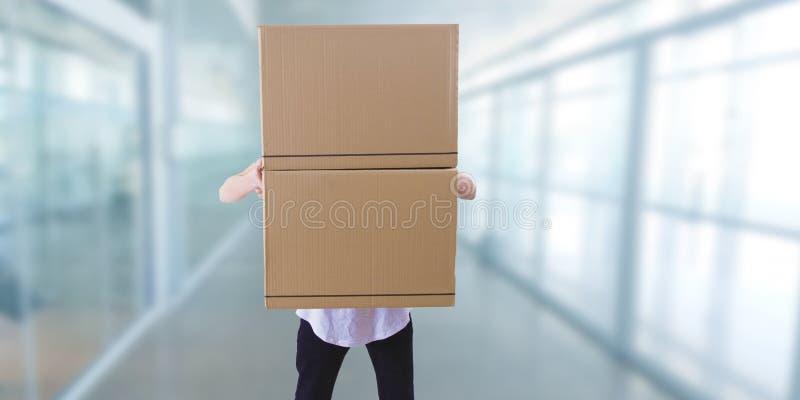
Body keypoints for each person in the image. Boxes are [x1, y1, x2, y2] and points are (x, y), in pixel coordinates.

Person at [219, 159, 476, 400]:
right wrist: (255, 179)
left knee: (398, 394)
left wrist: (459, 183)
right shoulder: (297, 155)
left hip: (387, 309)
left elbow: (462, 184)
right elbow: (226, 192)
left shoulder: (392, 152)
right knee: (311, 393)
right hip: (323, 312)